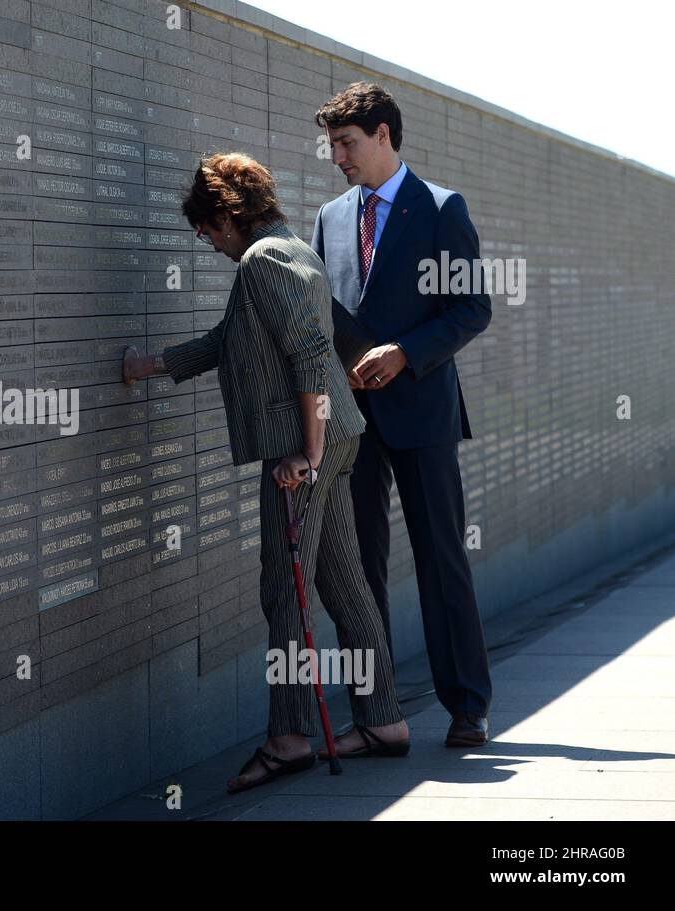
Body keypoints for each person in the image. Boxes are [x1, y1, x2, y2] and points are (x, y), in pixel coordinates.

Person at [123, 152, 409, 793]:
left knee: (287, 591)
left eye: (205, 229)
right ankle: (383, 720)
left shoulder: (264, 260)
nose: (207, 242)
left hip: (304, 448)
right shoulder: (286, 248)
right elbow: (231, 340)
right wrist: (148, 366)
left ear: (226, 215)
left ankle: (288, 737)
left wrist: (304, 454)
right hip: (338, 437)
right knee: (342, 587)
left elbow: (311, 352)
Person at [311, 82, 493, 748]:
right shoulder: (330, 219)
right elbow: (320, 316)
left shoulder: (441, 209)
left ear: (383, 134)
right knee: (358, 574)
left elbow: (471, 309)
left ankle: (467, 704)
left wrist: (405, 352)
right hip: (351, 424)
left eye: (347, 143)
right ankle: (376, 715)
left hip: (422, 412)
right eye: (333, 145)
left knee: (443, 559)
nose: (338, 157)